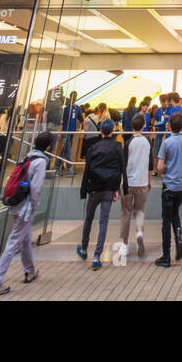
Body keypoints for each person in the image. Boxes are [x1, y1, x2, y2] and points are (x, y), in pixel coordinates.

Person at [0, 130, 52, 295]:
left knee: (25, 238)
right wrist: (34, 204)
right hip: (26, 206)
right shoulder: (41, 162)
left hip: (15, 203)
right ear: (49, 146)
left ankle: (29, 270)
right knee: (14, 242)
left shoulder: (27, 157)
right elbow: (35, 188)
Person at [78, 120, 124, 270]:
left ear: (100, 132)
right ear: (113, 131)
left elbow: (87, 171)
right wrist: (118, 188)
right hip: (109, 190)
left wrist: (83, 189)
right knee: (103, 221)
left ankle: (84, 248)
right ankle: (97, 255)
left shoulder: (93, 148)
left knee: (89, 218)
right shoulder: (117, 147)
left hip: (94, 189)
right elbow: (121, 169)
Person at [154, 111, 182, 268]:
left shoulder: (167, 143)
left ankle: (166, 255)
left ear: (169, 125)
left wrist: (166, 167)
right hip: (181, 186)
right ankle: (178, 238)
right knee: (175, 214)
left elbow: (160, 166)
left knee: (166, 220)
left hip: (168, 186)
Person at [119, 113, 152, 259]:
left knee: (125, 212)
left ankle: (125, 245)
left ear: (132, 126)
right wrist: (149, 180)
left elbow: (123, 164)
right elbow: (150, 165)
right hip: (142, 182)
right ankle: (139, 234)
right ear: (144, 125)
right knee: (140, 211)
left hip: (128, 182)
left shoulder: (128, 143)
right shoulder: (147, 142)